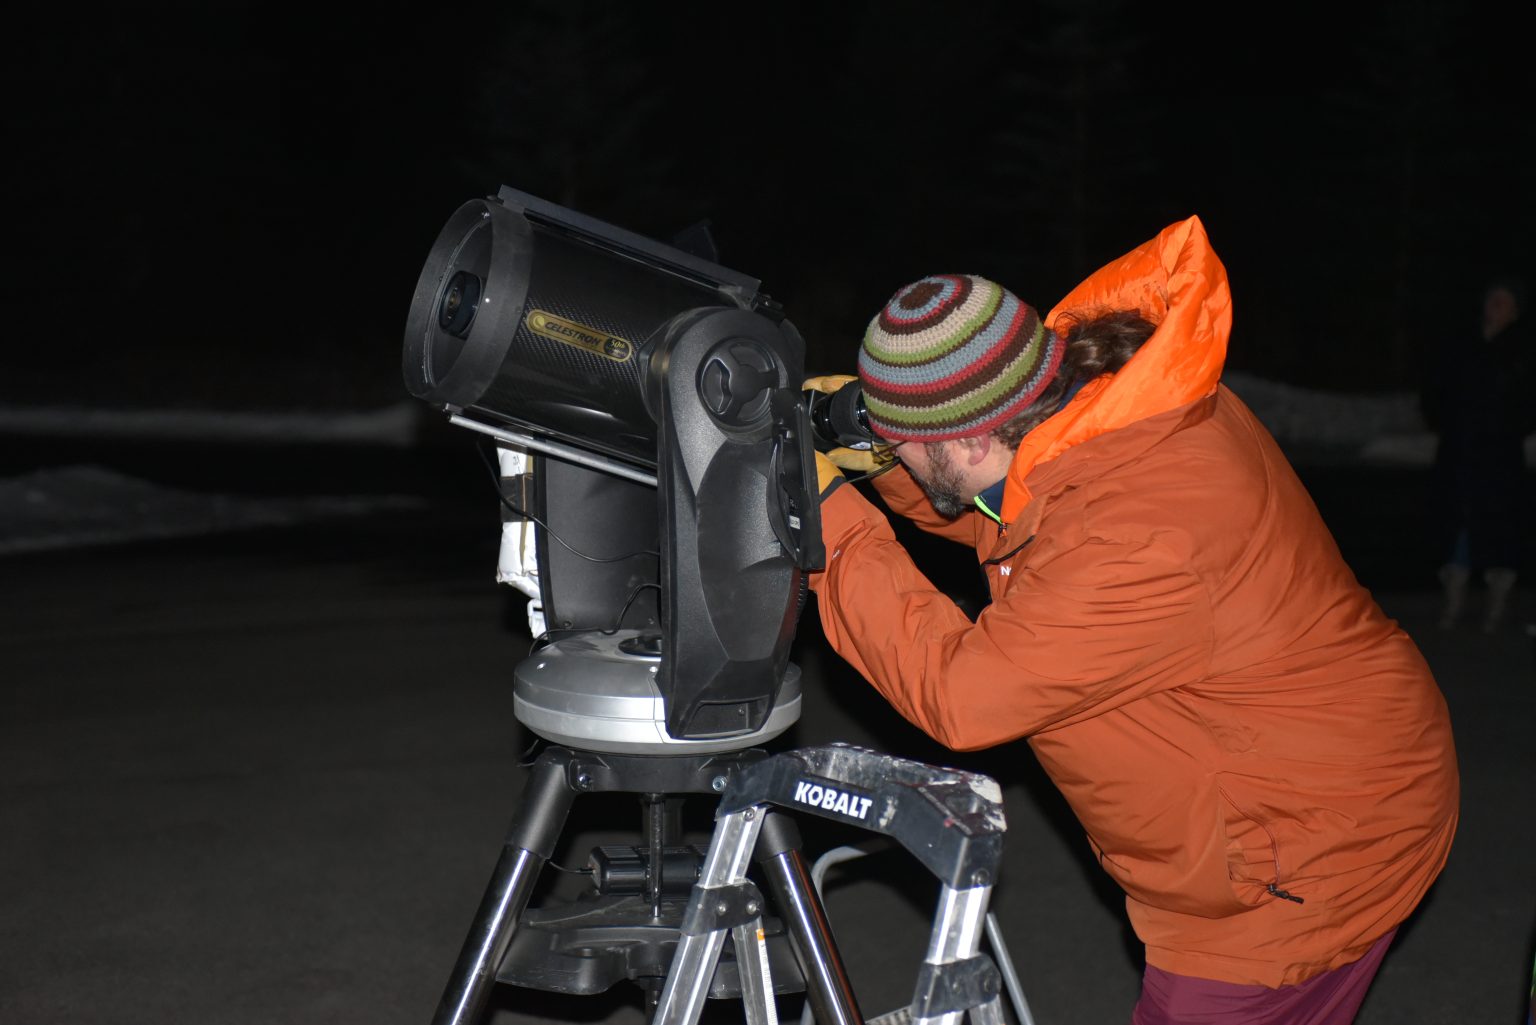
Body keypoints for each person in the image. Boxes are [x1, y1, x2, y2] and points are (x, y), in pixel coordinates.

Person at [804, 216, 1460, 1024]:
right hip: (1318, 774)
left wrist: (828, 522)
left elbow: (962, 693)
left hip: (1308, 854)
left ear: (971, 435)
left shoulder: (1136, 532)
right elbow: (1008, 511)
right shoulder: (1111, 412)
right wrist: (875, 462)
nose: (889, 451)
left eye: (900, 441)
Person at [1421, 273, 1536, 632]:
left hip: (1500, 456)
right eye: (1492, 298)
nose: (1495, 306)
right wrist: (1443, 419)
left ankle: (1496, 606)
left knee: (1499, 527)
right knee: (1458, 525)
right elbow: (1437, 387)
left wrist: (1508, 426)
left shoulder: (1522, 351)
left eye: (1504, 301)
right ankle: (1453, 602)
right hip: (1460, 452)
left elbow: (1527, 401)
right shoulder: (1462, 344)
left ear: (1515, 311)